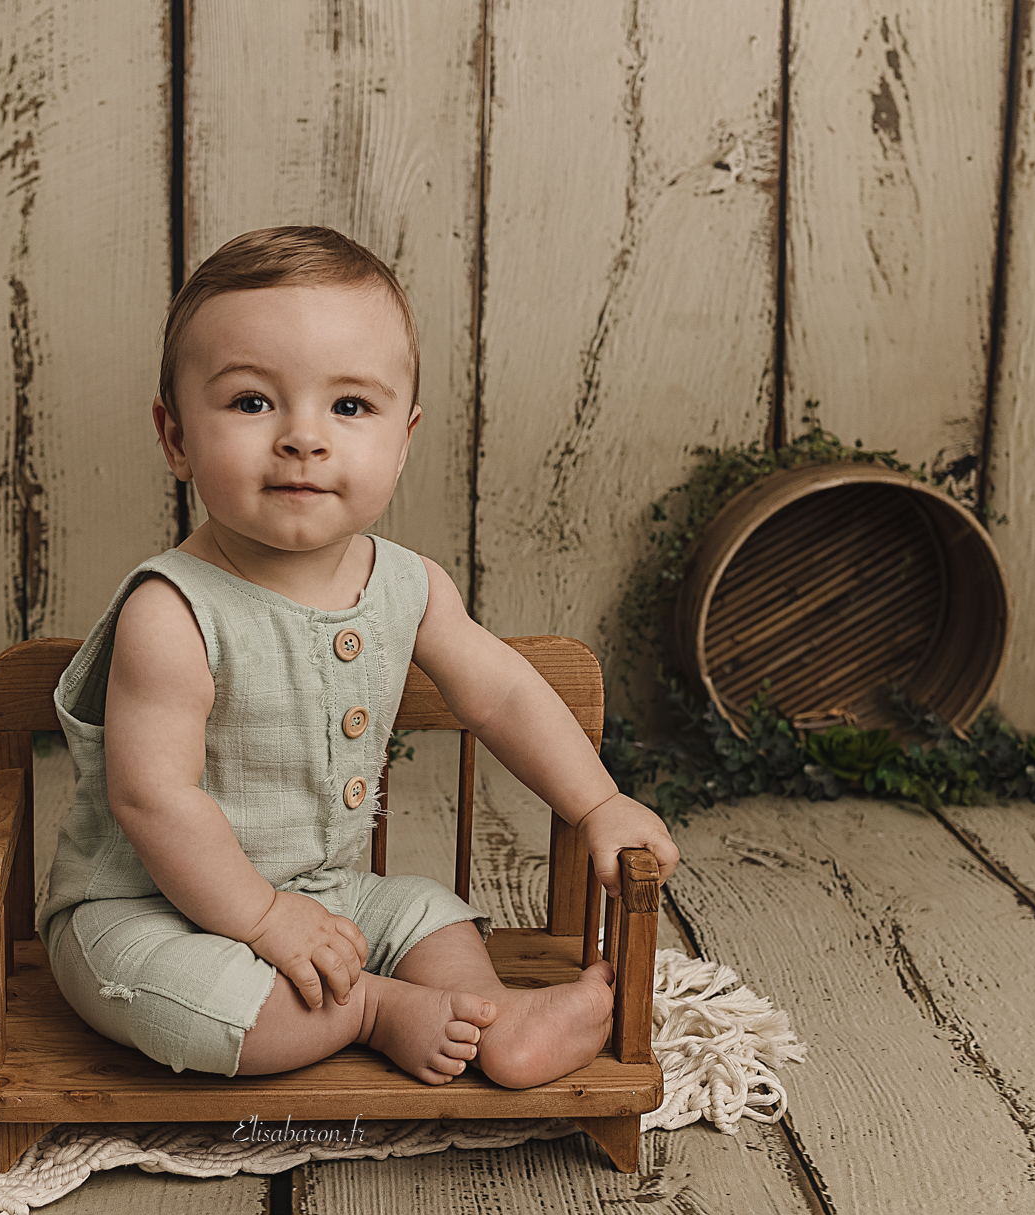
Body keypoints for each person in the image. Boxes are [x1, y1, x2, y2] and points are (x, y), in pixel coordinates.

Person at [39, 225, 679, 1089]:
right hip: (147, 911)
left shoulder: (408, 586)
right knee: (192, 1001)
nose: (304, 437)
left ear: (404, 438)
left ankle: (491, 1016)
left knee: (429, 911)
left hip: (325, 895)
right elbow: (153, 800)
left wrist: (596, 801)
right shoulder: (173, 610)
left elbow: (499, 696)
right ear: (176, 436)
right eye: (253, 402)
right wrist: (265, 919)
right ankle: (377, 1009)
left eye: (349, 406)